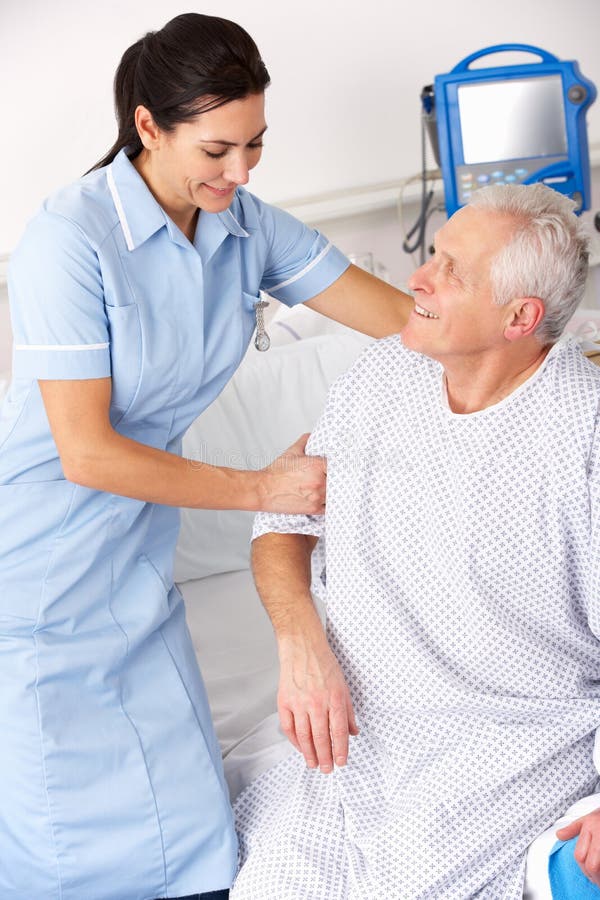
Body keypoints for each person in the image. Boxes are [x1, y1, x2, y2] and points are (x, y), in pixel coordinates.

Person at [0, 13, 413, 900]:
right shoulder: (66, 243)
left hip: (137, 567)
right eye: (218, 149)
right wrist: (266, 486)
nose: (242, 172)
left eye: (256, 146)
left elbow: (403, 326)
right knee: (71, 863)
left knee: (198, 844)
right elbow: (86, 452)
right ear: (148, 126)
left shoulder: (245, 228)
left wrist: (518, 342)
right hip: (33, 570)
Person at [231, 183, 600, 899]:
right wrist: (301, 644)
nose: (416, 279)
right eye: (433, 254)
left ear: (520, 317)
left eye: (451, 270)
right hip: (355, 740)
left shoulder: (582, 438)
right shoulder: (381, 376)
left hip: (513, 747)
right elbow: (283, 516)